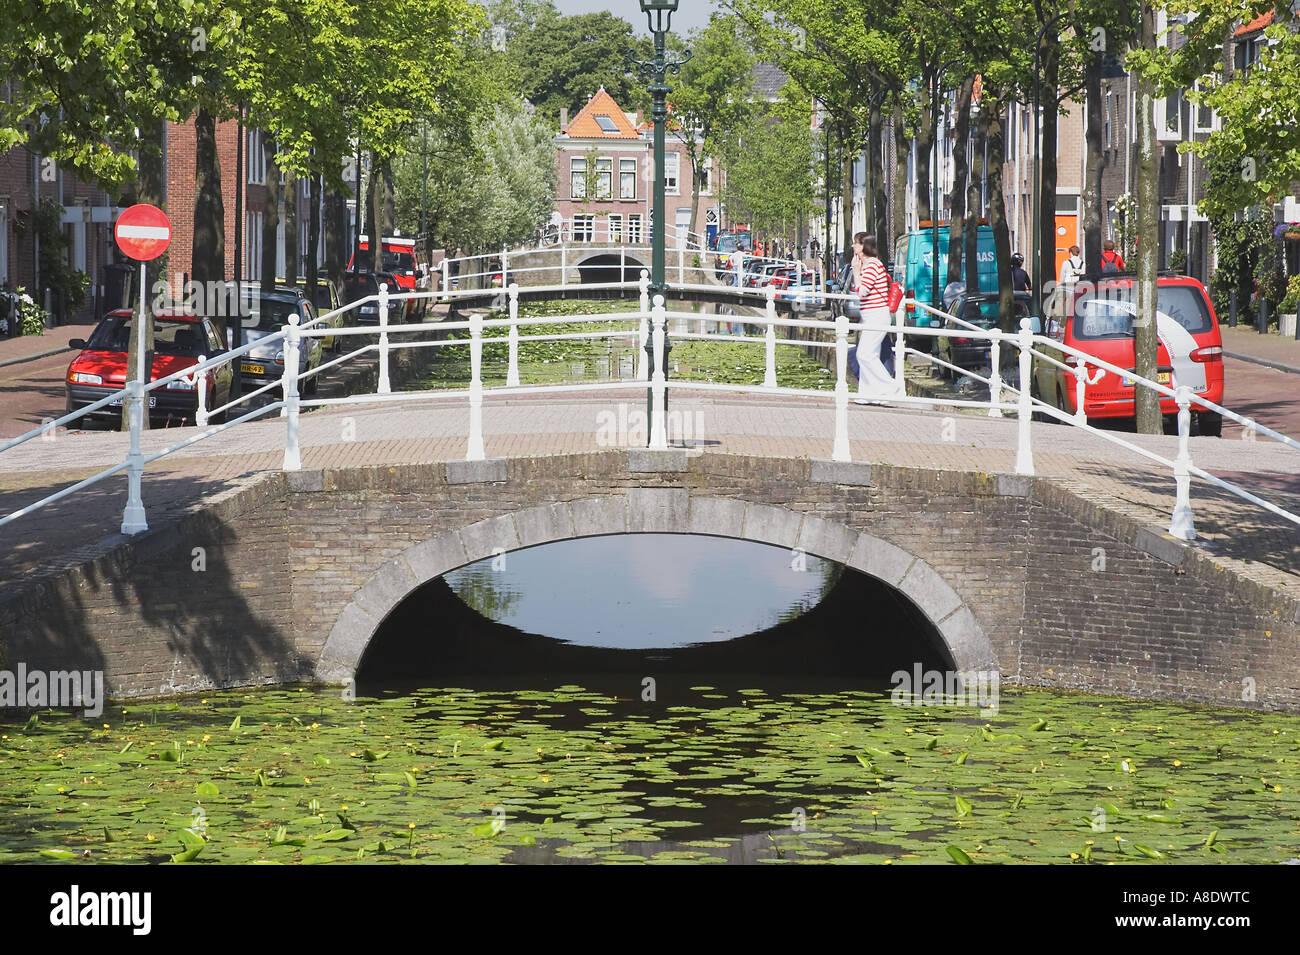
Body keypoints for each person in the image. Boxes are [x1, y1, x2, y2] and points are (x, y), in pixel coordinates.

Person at [854, 233, 898, 403]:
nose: (853, 247)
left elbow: (862, 291)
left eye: (856, 244)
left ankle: (890, 387)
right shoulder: (870, 265)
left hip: (876, 315)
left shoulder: (872, 265)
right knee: (870, 353)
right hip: (872, 315)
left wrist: (856, 272)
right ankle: (868, 393)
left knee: (864, 354)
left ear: (864, 246)